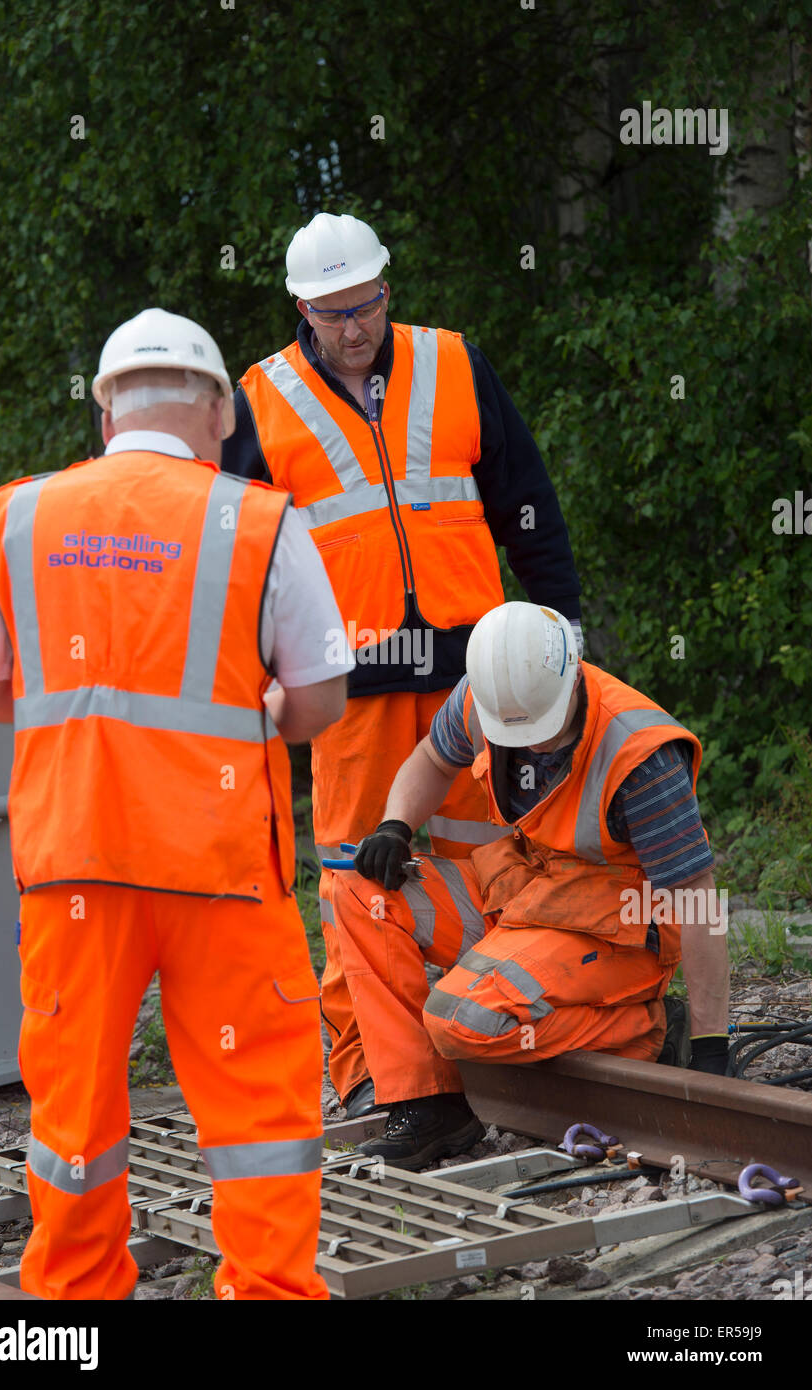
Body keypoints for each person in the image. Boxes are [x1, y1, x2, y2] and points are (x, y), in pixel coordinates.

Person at [0, 307, 354, 1300]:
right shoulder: (261, 520)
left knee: (74, 1109)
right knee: (258, 1107)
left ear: (105, 414)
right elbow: (319, 701)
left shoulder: (23, 515)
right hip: (219, 872)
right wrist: (255, 714)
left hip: (75, 866)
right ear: (217, 409)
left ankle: (75, 1308)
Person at [223, 211, 584, 1117]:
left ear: (388, 288)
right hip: (353, 681)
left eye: (368, 303)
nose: (355, 325)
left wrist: (560, 632)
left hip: (478, 671)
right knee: (357, 876)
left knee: (496, 857)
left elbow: (525, 502)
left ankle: (500, 1038)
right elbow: (239, 560)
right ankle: (375, 1075)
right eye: (334, 310)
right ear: (301, 308)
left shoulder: (453, 362)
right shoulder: (258, 400)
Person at [331, 602, 730, 1171]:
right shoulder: (487, 692)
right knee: (356, 893)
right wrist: (396, 824)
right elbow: (431, 759)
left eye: (541, 729)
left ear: (573, 673)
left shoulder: (639, 755)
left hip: (617, 928)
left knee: (459, 1020)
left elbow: (697, 899)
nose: (532, 745)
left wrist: (713, 1048)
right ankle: (430, 1104)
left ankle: (650, 1027)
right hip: (527, 892)